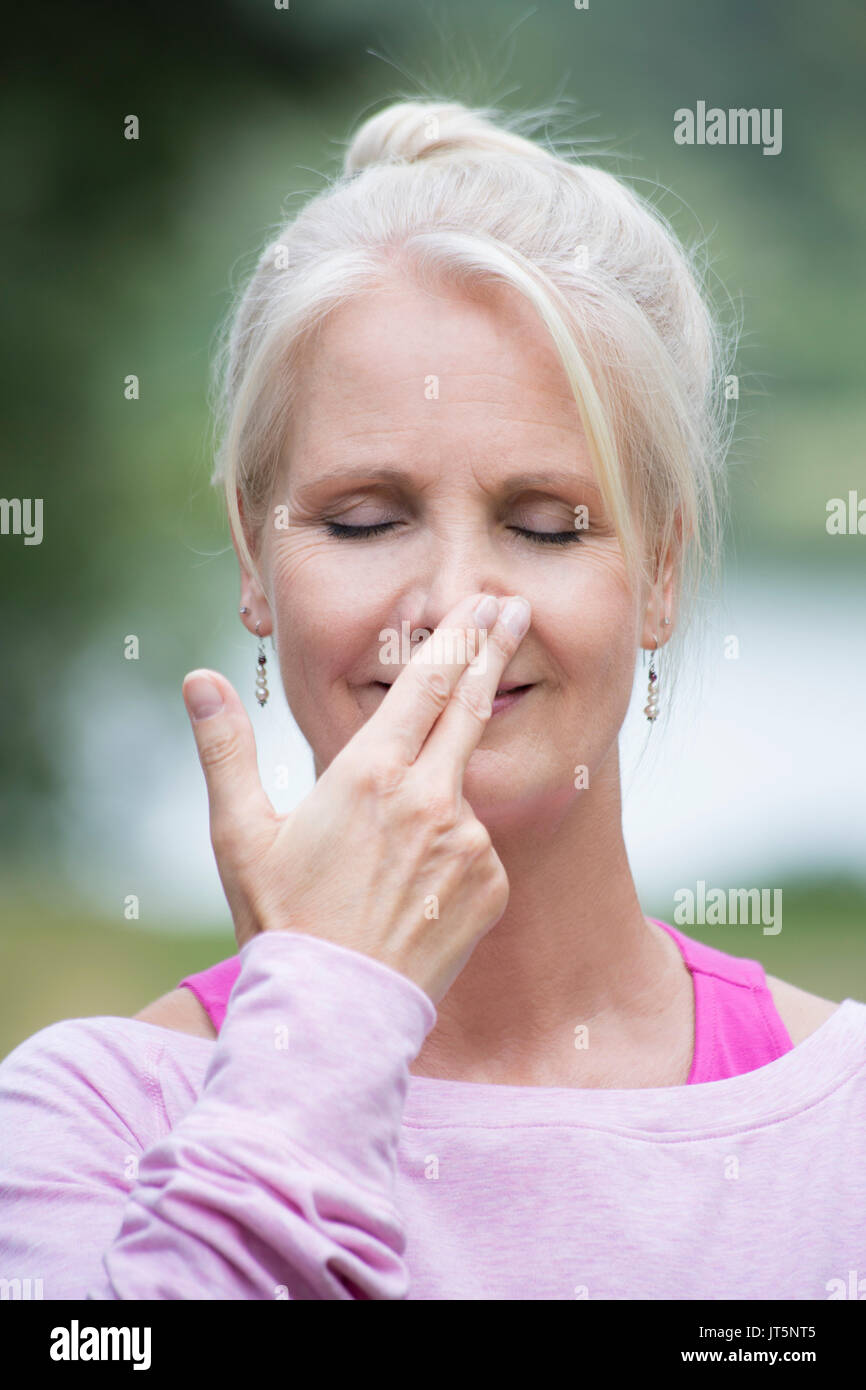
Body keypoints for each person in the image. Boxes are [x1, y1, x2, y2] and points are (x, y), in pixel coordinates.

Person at [1, 99, 863, 1302]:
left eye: (544, 524)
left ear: (658, 572)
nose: (455, 607)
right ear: (253, 557)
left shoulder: (841, 1131)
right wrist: (326, 1022)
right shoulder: (84, 1118)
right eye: (365, 519)